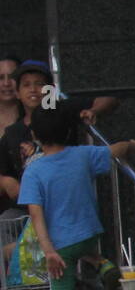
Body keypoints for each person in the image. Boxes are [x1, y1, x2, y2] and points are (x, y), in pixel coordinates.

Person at [16, 103, 135, 290]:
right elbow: (115, 149)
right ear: (71, 130)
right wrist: (132, 143)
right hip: (89, 235)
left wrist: (48, 251)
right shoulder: (83, 155)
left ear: (35, 133)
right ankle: (100, 261)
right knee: (84, 253)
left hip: (60, 246)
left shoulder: (34, 172)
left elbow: (36, 215)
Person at [0, 59, 117, 206]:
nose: (33, 89)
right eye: (26, 85)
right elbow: (4, 170)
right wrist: (6, 182)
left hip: (69, 200)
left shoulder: (64, 111)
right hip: (31, 208)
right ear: (17, 93)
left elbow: (108, 100)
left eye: (40, 84)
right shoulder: (13, 133)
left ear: (52, 90)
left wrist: (93, 111)